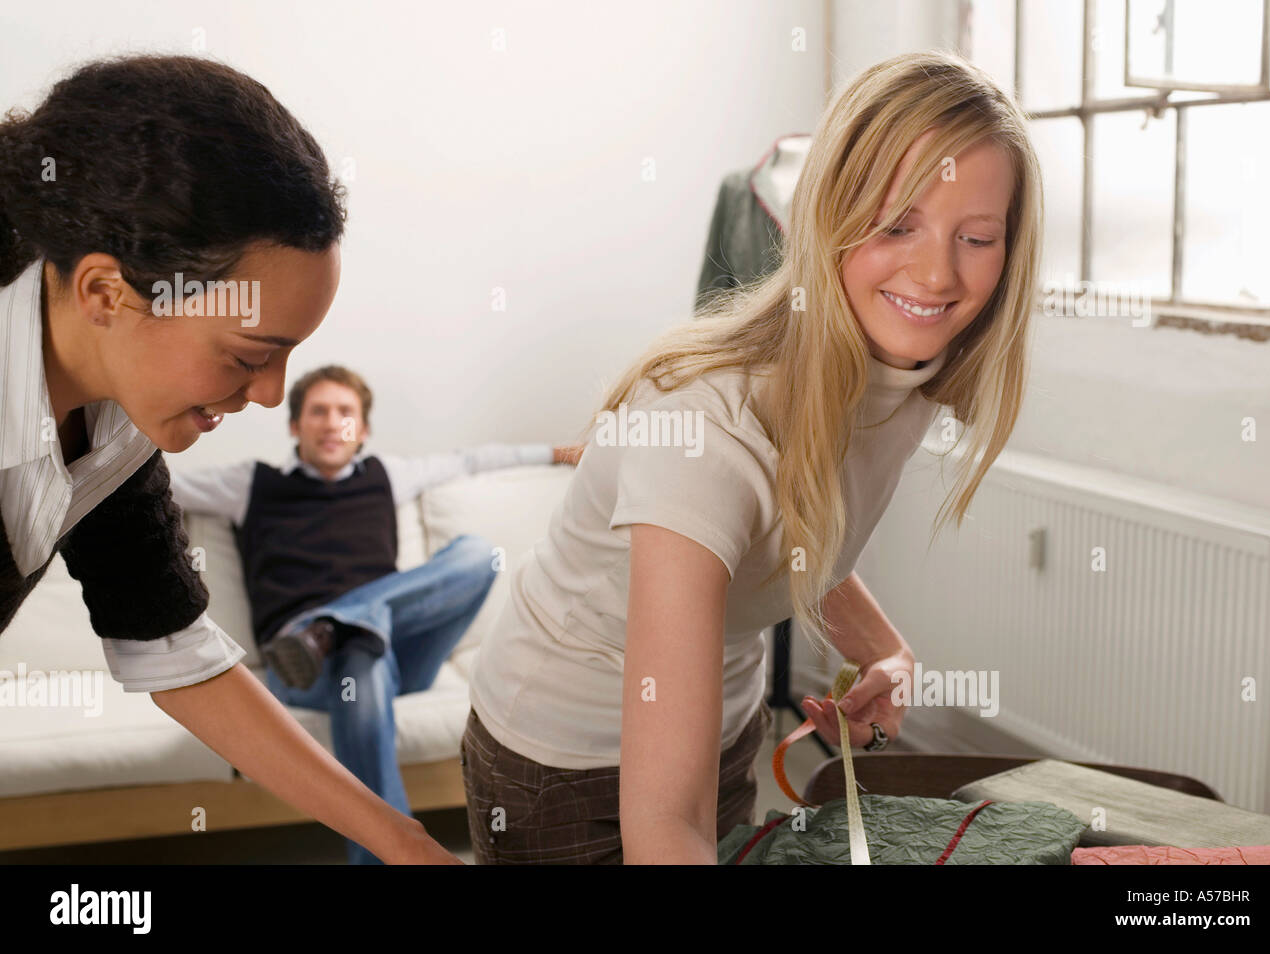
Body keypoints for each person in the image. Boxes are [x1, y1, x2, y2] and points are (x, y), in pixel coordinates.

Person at [460, 50, 1044, 864]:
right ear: (828, 216)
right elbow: (666, 828)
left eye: (976, 237)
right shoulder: (702, 424)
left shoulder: (909, 373)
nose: (938, 272)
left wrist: (884, 649)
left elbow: (796, 518)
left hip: (723, 723)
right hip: (563, 756)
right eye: (898, 224)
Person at [0, 54, 454, 863]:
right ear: (108, 294)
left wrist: (401, 839)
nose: (273, 396)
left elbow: (169, 645)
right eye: (250, 354)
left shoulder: (119, 423)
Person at [168, 363, 581, 864]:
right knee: (361, 657)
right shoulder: (251, 484)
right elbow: (159, 484)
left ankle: (331, 626)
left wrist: (557, 454)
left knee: (475, 554)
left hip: (402, 652)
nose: (331, 422)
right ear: (295, 426)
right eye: (318, 411)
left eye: (346, 412)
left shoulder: (389, 475)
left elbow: (472, 461)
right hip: (303, 668)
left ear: (362, 430)